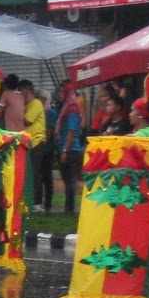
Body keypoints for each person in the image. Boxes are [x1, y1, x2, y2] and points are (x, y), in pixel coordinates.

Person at [56, 88, 86, 216]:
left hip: (70, 150)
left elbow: (72, 131)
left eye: (63, 92)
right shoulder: (65, 110)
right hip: (65, 148)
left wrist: (64, 150)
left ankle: (69, 208)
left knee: (70, 180)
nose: (60, 95)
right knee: (67, 179)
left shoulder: (72, 111)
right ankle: (69, 207)